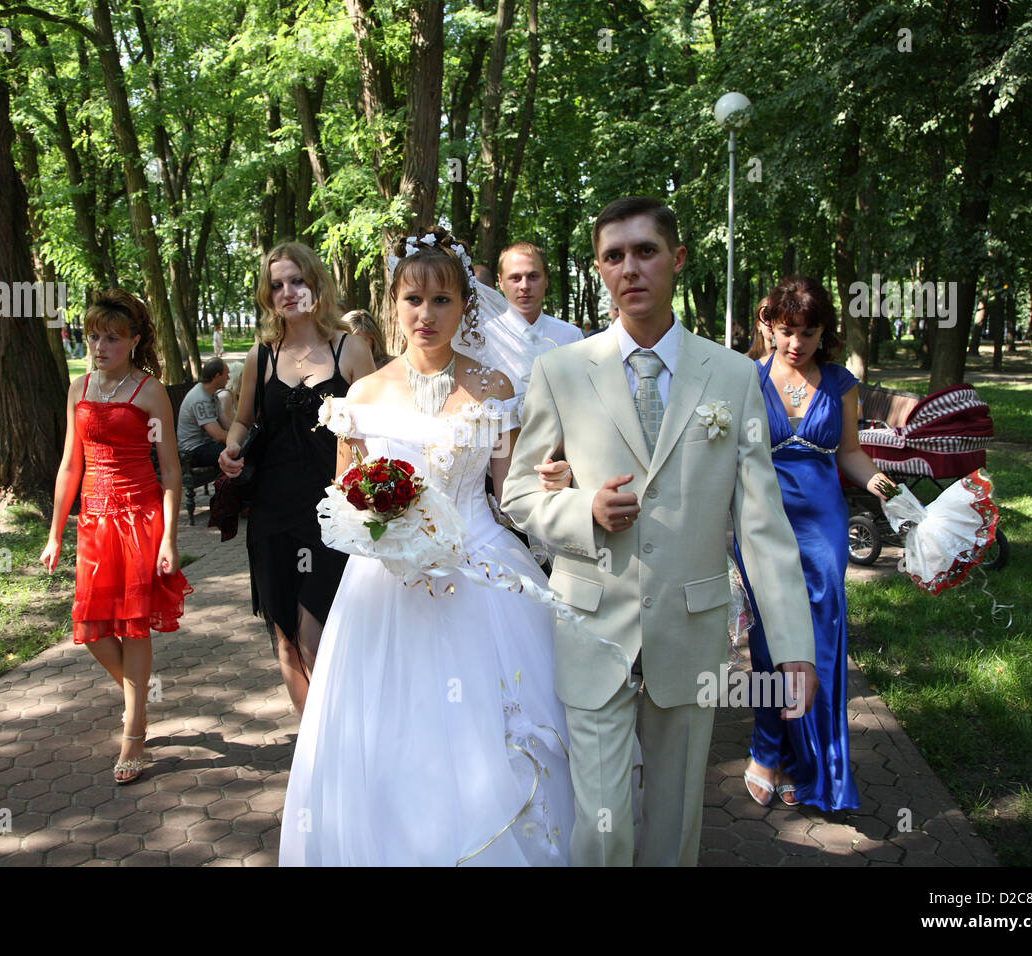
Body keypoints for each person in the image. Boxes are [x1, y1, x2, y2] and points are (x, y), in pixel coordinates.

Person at [501, 196, 816, 866]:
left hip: (688, 626)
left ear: (675, 259)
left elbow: (761, 524)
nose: (630, 268)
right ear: (598, 270)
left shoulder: (732, 375)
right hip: (591, 623)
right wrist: (581, 511)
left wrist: (793, 645)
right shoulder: (561, 371)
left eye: (645, 251)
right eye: (614, 256)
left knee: (674, 823)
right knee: (604, 827)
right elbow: (520, 493)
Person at [280, 227, 572, 866]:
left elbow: (511, 491)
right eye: (413, 299)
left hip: (482, 568)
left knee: (505, 723)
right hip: (385, 585)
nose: (427, 315)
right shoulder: (360, 396)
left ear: (467, 305)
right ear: (393, 303)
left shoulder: (495, 388)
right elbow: (340, 494)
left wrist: (555, 486)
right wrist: (377, 529)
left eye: (442, 300)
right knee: (389, 730)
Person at [738, 275, 894, 811]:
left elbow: (848, 451)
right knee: (765, 639)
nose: (796, 343)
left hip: (823, 521)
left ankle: (816, 766)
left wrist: (873, 479)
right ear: (770, 326)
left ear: (823, 331)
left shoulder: (840, 383)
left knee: (821, 639)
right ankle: (767, 748)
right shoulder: (746, 378)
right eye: (786, 331)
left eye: (808, 332)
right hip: (761, 517)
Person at [40, 290, 192, 784]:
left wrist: (169, 537)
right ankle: (139, 695)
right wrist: (55, 532)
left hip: (140, 517)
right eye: (93, 336)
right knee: (90, 626)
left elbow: (170, 470)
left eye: (111, 337)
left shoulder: (150, 392)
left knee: (133, 625)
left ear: (134, 341)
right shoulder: (77, 388)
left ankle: (135, 731)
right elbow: (69, 465)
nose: (100, 346)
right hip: (94, 521)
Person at [218, 242, 374, 716]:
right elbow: (243, 420)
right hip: (271, 512)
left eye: (297, 281)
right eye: (277, 284)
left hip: (330, 513)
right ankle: (312, 758)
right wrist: (232, 446)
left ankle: (339, 742)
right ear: (268, 295)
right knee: (285, 635)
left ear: (316, 283)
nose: (288, 292)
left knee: (316, 634)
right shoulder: (260, 356)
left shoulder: (349, 349)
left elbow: (372, 435)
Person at [477, 241, 583, 397]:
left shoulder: (571, 336)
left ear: (546, 279)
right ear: (500, 282)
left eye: (533, 276)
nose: (524, 286)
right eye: (515, 278)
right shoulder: (485, 337)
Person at [176, 358, 230, 468]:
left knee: (243, 449)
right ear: (217, 376)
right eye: (226, 374)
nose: (228, 378)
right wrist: (239, 440)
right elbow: (218, 435)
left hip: (205, 445)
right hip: (193, 452)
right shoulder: (200, 399)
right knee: (237, 452)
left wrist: (243, 433)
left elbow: (227, 423)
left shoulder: (211, 394)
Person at [215, 360, 244, 432]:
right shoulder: (225, 396)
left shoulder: (236, 396)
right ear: (236, 376)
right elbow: (226, 426)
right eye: (244, 375)